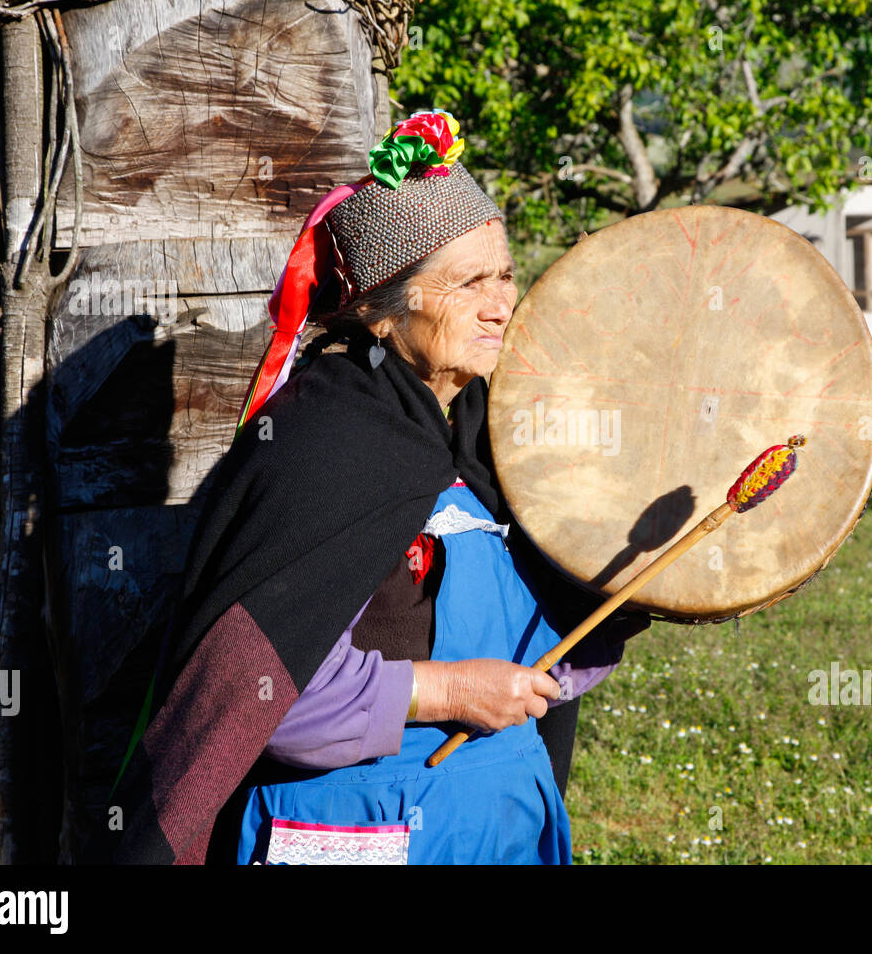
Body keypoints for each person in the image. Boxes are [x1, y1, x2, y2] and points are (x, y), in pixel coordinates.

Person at [92, 109, 648, 865]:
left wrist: (642, 582)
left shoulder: (499, 437)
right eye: (467, 282)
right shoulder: (324, 445)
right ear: (384, 310)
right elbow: (267, 701)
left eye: (506, 273)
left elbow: (553, 647)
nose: (500, 303)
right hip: (353, 829)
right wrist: (450, 693)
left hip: (497, 822)